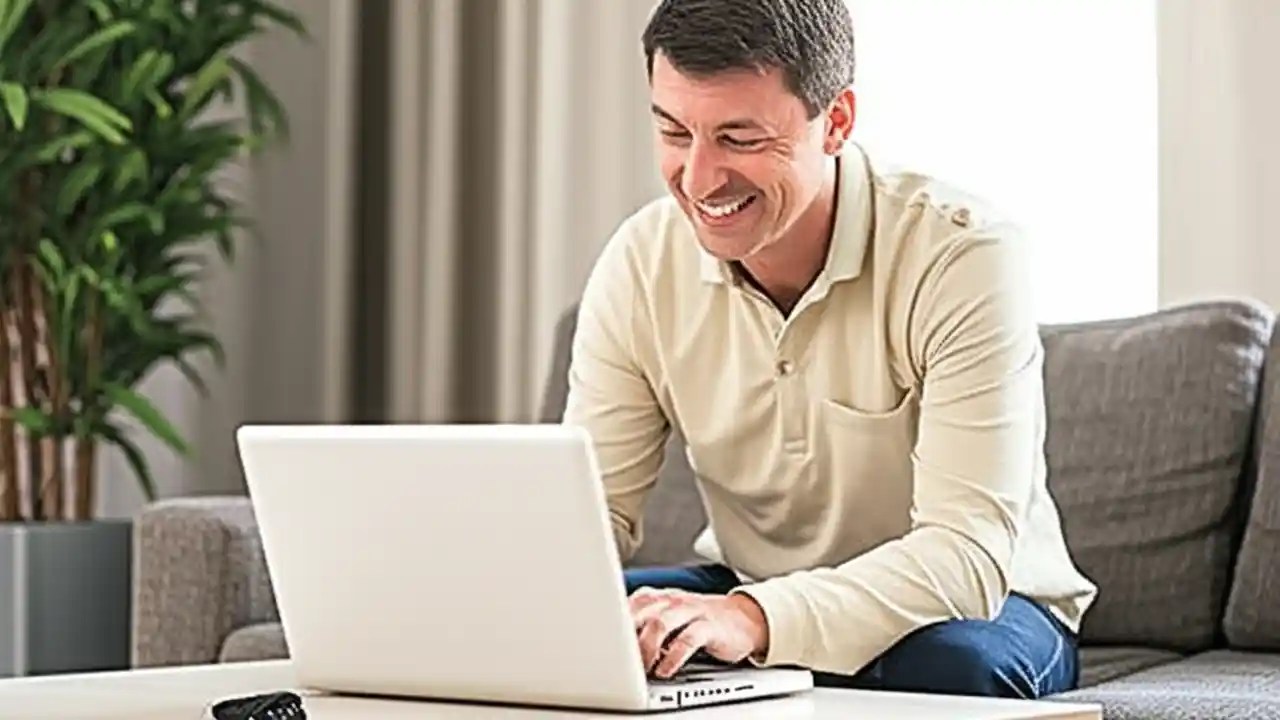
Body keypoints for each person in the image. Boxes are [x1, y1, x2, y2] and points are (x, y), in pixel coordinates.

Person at [562, 0, 1097, 699]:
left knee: (953, 667)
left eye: (740, 138)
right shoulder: (640, 262)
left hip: (980, 607)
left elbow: (966, 555)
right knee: (562, 623)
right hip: (754, 589)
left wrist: (753, 620)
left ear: (836, 122)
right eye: (673, 131)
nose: (697, 180)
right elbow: (589, 515)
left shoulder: (962, 256)